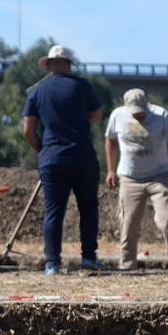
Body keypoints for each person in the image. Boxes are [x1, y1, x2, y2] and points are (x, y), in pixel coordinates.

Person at [22, 45, 106, 274]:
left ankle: (52, 263)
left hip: (52, 158)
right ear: (68, 65)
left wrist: (42, 148)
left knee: (53, 211)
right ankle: (88, 257)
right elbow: (98, 115)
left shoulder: (37, 92)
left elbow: (28, 128)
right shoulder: (82, 86)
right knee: (88, 207)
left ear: (49, 65)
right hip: (82, 157)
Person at [104, 89, 168, 270]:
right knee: (128, 223)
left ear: (147, 105)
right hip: (130, 177)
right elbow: (110, 140)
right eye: (135, 114)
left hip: (160, 176)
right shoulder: (117, 116)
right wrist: (110, 170)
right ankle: (127, 265)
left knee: (166, 220)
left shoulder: (161, 115)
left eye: (141, 112)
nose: (139, 116)